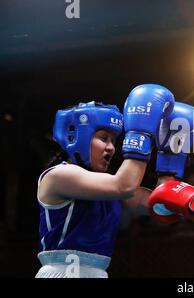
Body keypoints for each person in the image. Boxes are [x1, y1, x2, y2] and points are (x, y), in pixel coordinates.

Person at [35, 84, 175, 278]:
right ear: (78, 137)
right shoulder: (58, 176)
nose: (110, 147)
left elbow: (161, 208)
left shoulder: (107, 185)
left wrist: (169, 164)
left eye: (113, 140)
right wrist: (141, 133)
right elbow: (124, 185)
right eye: (103, 138)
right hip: (64, 273)